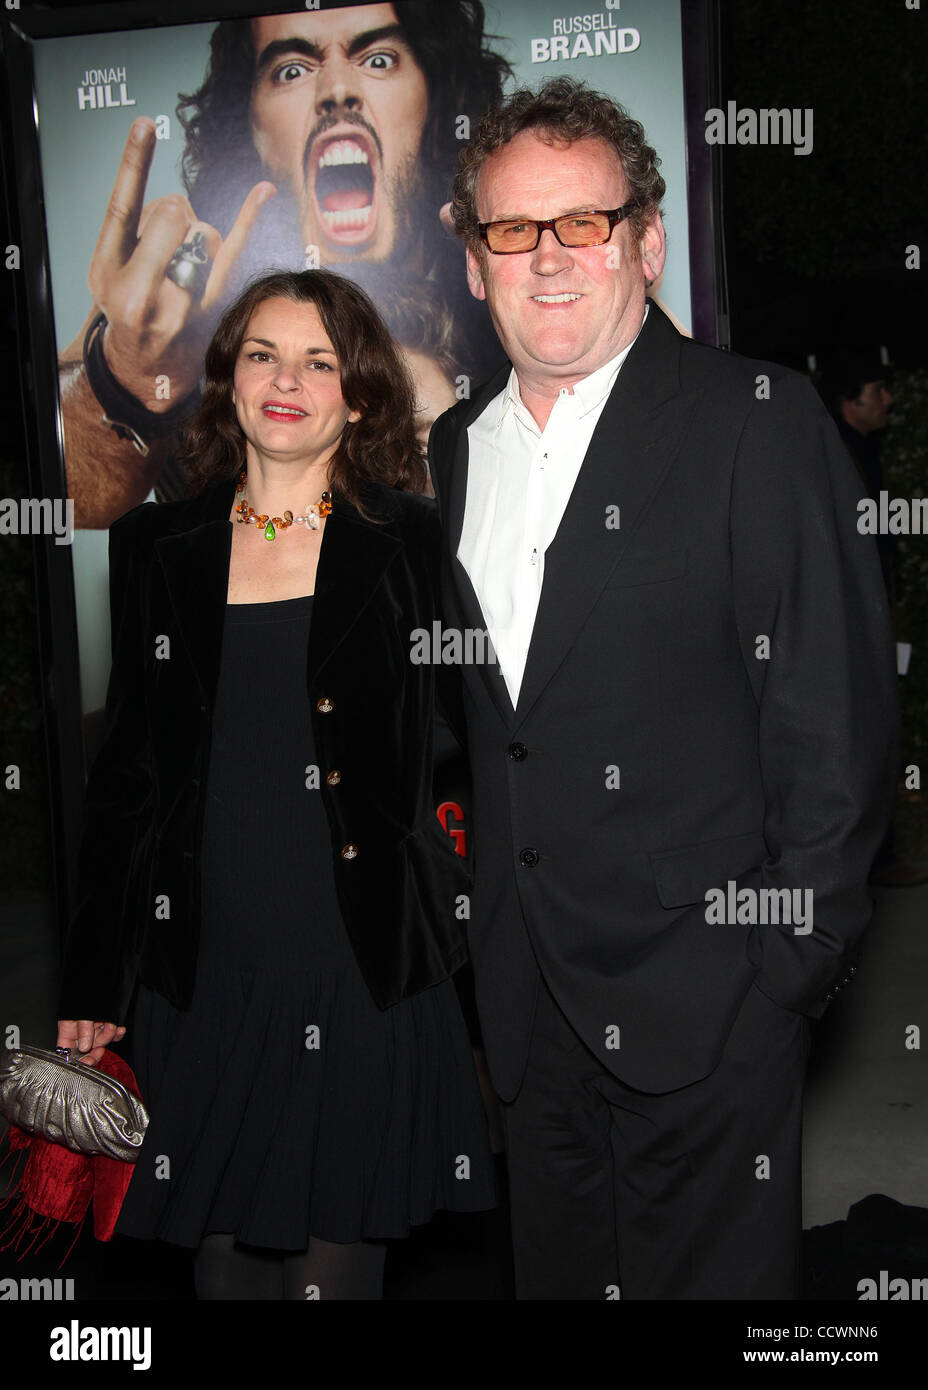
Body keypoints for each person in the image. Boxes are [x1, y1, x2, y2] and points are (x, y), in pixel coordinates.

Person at [428, 76, 899, 1300]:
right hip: (528, 1013)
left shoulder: (756, 419)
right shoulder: (454, 446)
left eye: (581, 222)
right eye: (512, 230)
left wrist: (786, 969)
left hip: (711, 1001)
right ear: (474, 261)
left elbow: (833, 726)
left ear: (645, 240)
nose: (547, 259)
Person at [56, 268, 496, 1300]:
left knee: (336, 1265)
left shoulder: (411, 542)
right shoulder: (156, 547)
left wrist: (455, 911)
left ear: (357, 394)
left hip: (361, 971)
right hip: (205, 972)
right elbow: (130, 777)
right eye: (262, 355)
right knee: (219, 1261)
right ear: (229, 383)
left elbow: (472, 744)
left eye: (317, 360)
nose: (286, 379)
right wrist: (91, 977)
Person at [58, 2, 511, 527]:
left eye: (379, 59)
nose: (337, 90)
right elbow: (72, 496)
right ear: (250, 128)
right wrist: (131, 377)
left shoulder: (507, 280)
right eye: (292, 70)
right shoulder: (187, 296)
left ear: (436, 107)